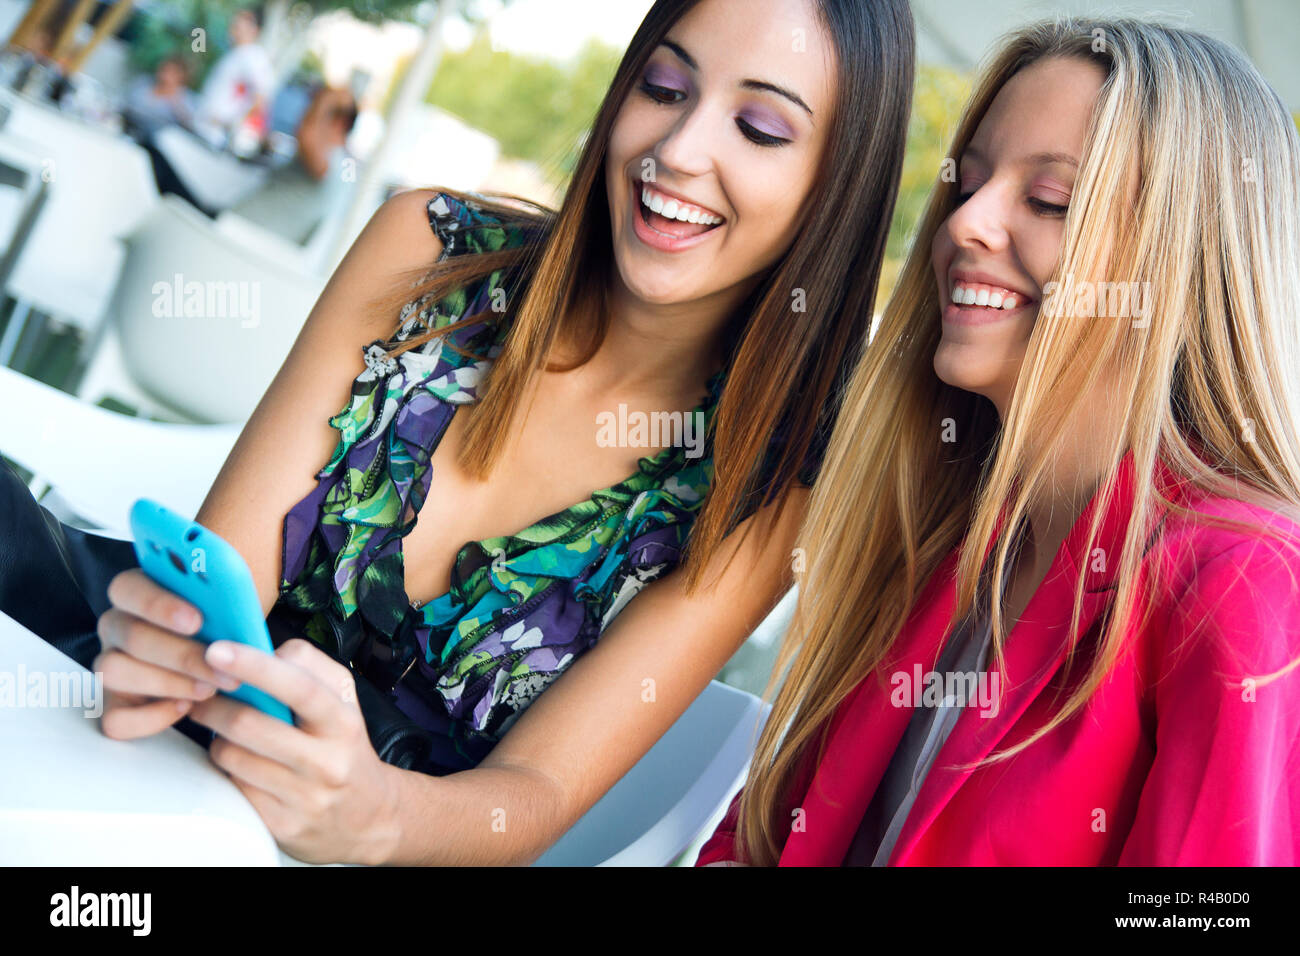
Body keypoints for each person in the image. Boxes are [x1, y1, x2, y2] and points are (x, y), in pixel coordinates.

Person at [4, 0, 915, 865]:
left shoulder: (775, 478)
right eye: (665, 89)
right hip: (146, 773)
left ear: (836, 192)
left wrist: (372, 813)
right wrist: (164, 642)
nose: (676, 150)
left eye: (759, 130)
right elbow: (221, 579)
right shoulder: (430, 250)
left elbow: (533, 799)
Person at [697, 17, 1300, 866]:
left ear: (1181, 261)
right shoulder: (935, 524)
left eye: (1049, 200)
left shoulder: (1243, 578)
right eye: (968, 183)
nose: (965, 223)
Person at [227, 85, 358, 244]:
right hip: (236, 230)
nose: (307, 113)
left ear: (340, 123)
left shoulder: (338, 162)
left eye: (319, 110)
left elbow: (306, 135)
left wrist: (326, 99)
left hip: (242, 237)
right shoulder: (337, 160)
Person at [191, 7, 276, 149]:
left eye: (246, 19)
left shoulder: (254, 56)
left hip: (214, 137)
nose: (237, 21)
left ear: (256, 29)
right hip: (203, 130)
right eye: (238, 16)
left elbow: (261, 102)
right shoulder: (237, 53)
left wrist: (228, 124)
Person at [122, 55, 198, 141]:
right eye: (164, 69)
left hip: (153, 139)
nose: (165, 74)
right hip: (128, 124)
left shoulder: (185, 99)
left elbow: (190, 126)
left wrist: (176, 103)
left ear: (182, 77)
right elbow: (126, 103)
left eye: (172, 72)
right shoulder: (144, 82)